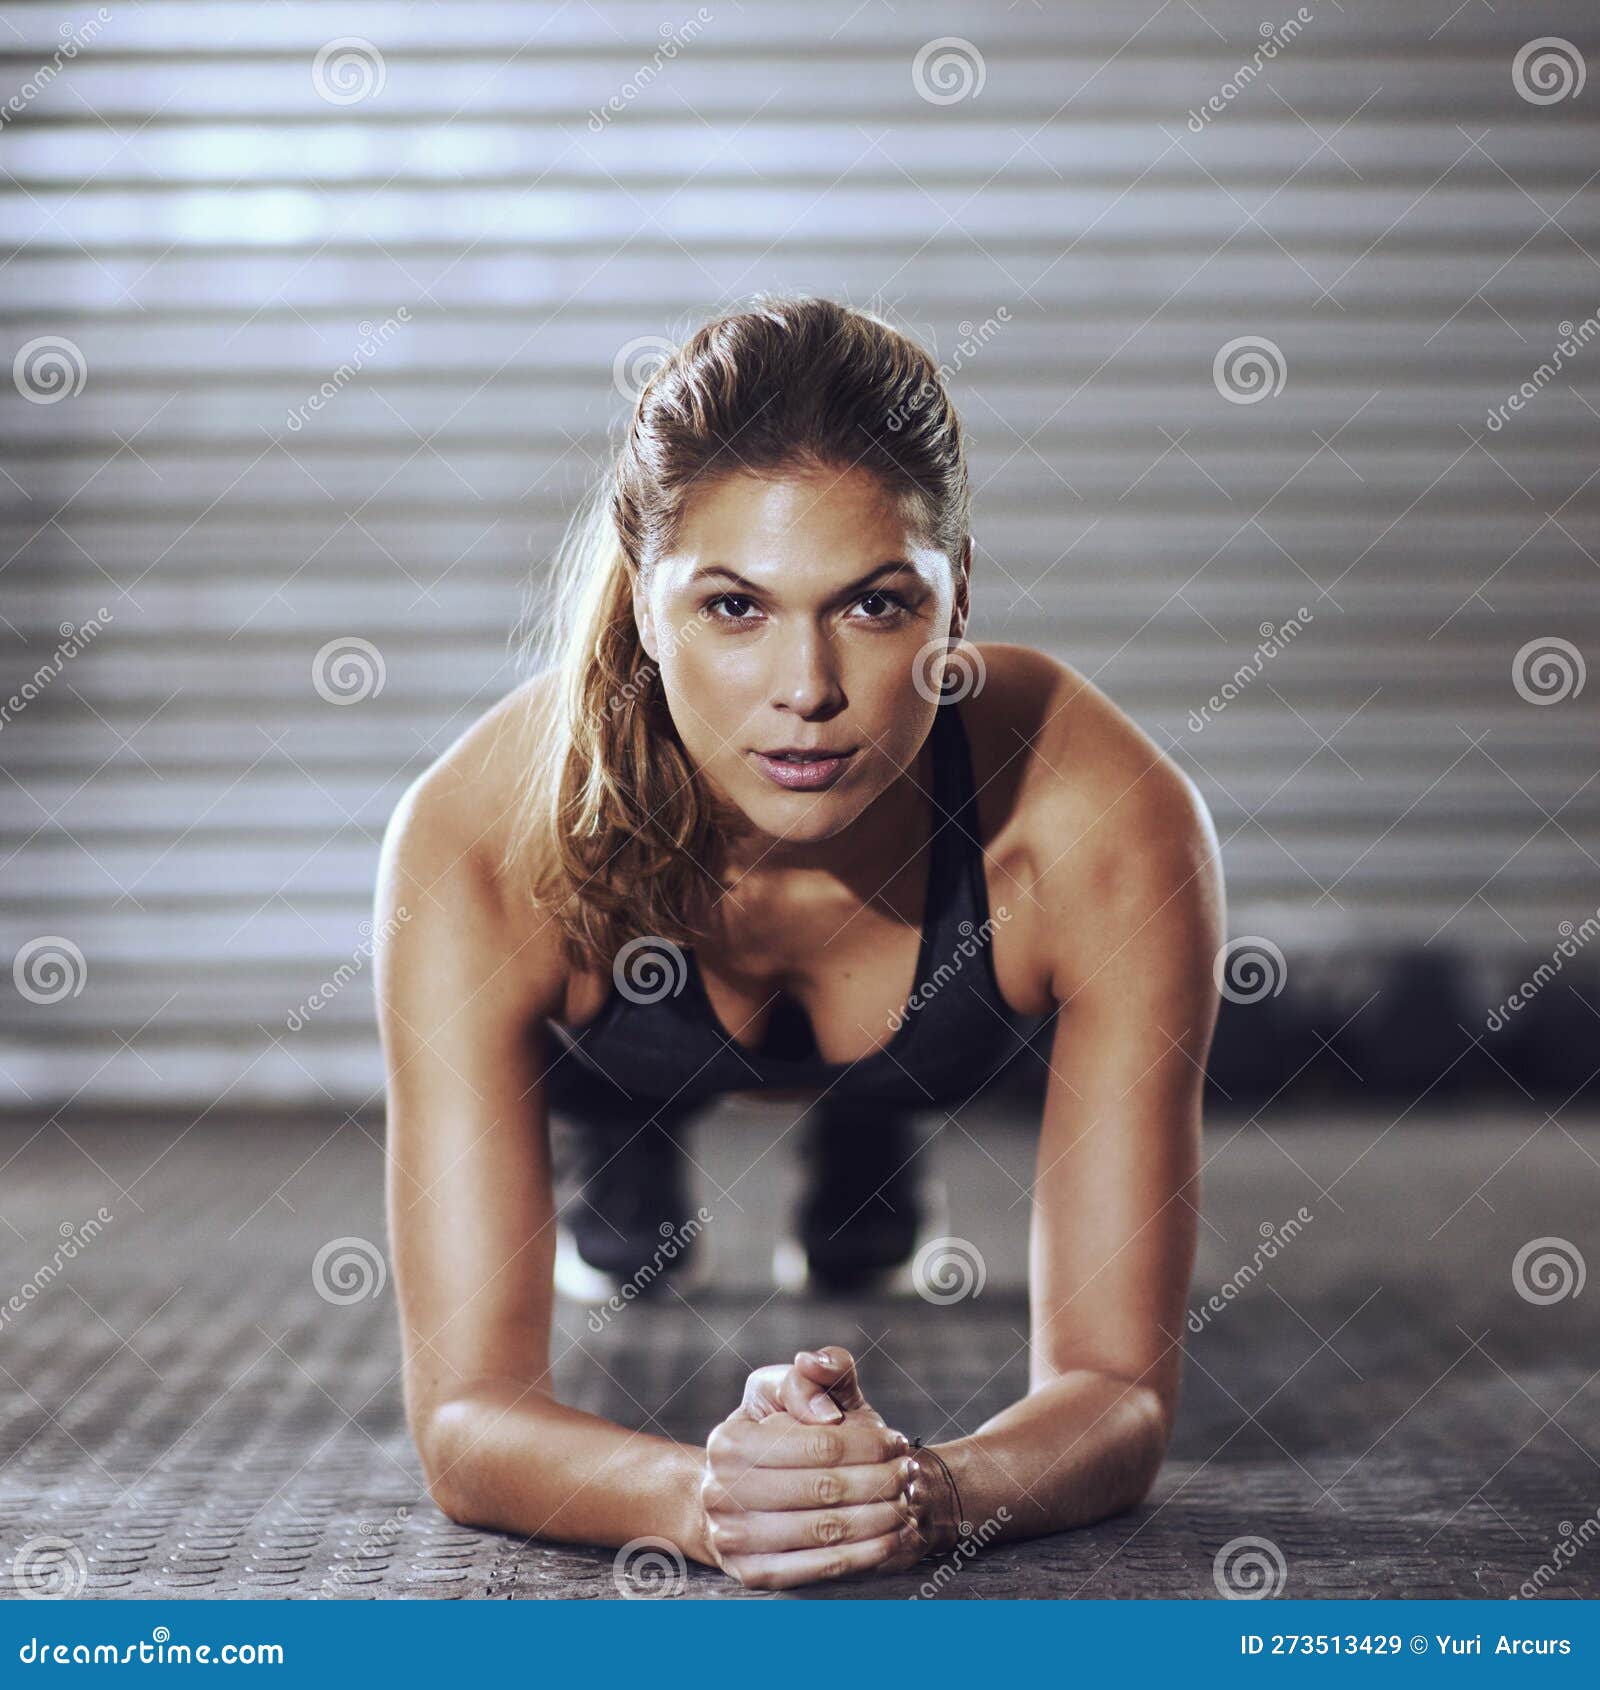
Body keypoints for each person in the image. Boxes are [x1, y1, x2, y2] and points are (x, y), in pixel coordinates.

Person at [374, 294, 1224, 1590]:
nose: (808, 689)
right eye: (733, 607)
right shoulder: (479, 831)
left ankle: (866, 1123)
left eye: (875, 605)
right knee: (627, 1225)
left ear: (956, 601)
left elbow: (1117, 1389)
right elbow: (466, 1420)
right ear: (645, 606)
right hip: (623, 1049)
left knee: (870, 1194)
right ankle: (629, 1148)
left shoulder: (1101, 818)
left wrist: (925, 1492)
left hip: (926, 1028)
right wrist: (715, 1497)